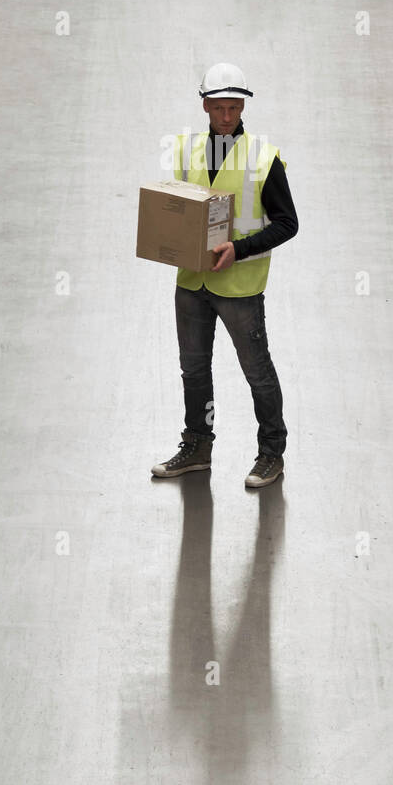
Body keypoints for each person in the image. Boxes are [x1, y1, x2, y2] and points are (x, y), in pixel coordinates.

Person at [151, 63, 298, 488]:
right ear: (205, 106)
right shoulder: (185, 151)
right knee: (194, 370)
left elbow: (287, 223)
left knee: (257, 371)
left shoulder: (264, 158)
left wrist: (240, 249)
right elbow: (179, 209)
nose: (229, 116)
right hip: (191, 282)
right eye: (220, 107)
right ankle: (198, 445)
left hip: (240, 287)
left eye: (235, 107)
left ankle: (271, 453)